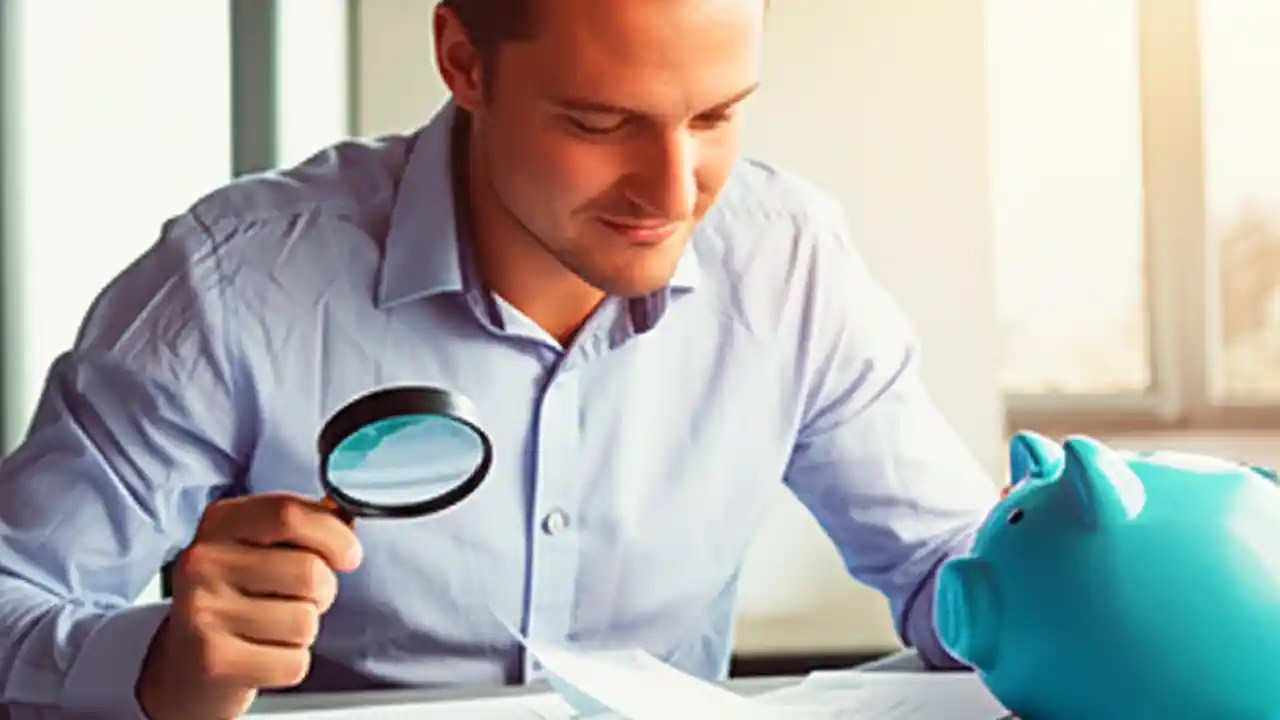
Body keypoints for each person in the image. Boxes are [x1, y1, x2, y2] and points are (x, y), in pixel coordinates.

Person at [0, 0, 1000, 718]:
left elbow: (951, 574)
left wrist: (1064, 596)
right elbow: (13, 595)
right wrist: (158, 665)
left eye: (714, 117)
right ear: (462, 60)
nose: (674, 192)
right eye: (598, 122)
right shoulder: (231, 283)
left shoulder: (789, 261)